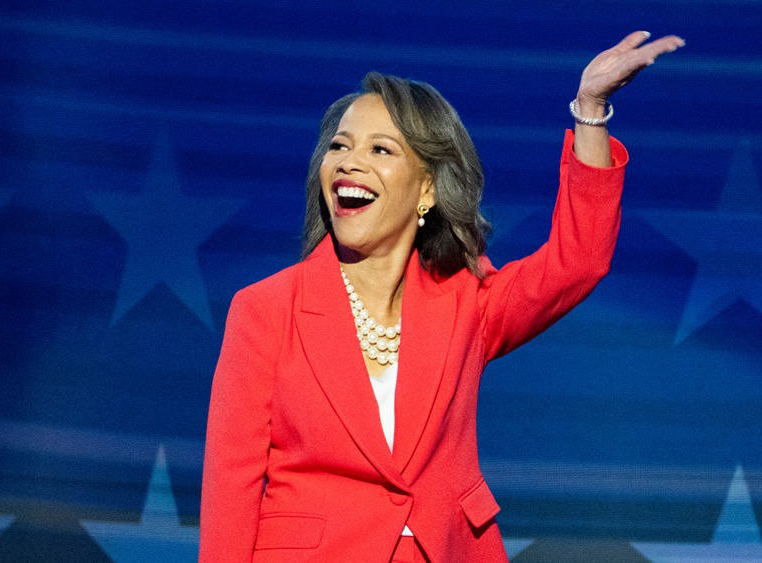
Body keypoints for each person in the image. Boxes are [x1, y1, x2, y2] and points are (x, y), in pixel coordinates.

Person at [200, 31, 684, 562]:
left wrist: (590, 110)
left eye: (380, 149)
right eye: (339, 146)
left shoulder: (466, 301)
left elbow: (579, 261)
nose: (348, 162)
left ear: (427, 190)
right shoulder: (266, 310)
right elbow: (232, 486)